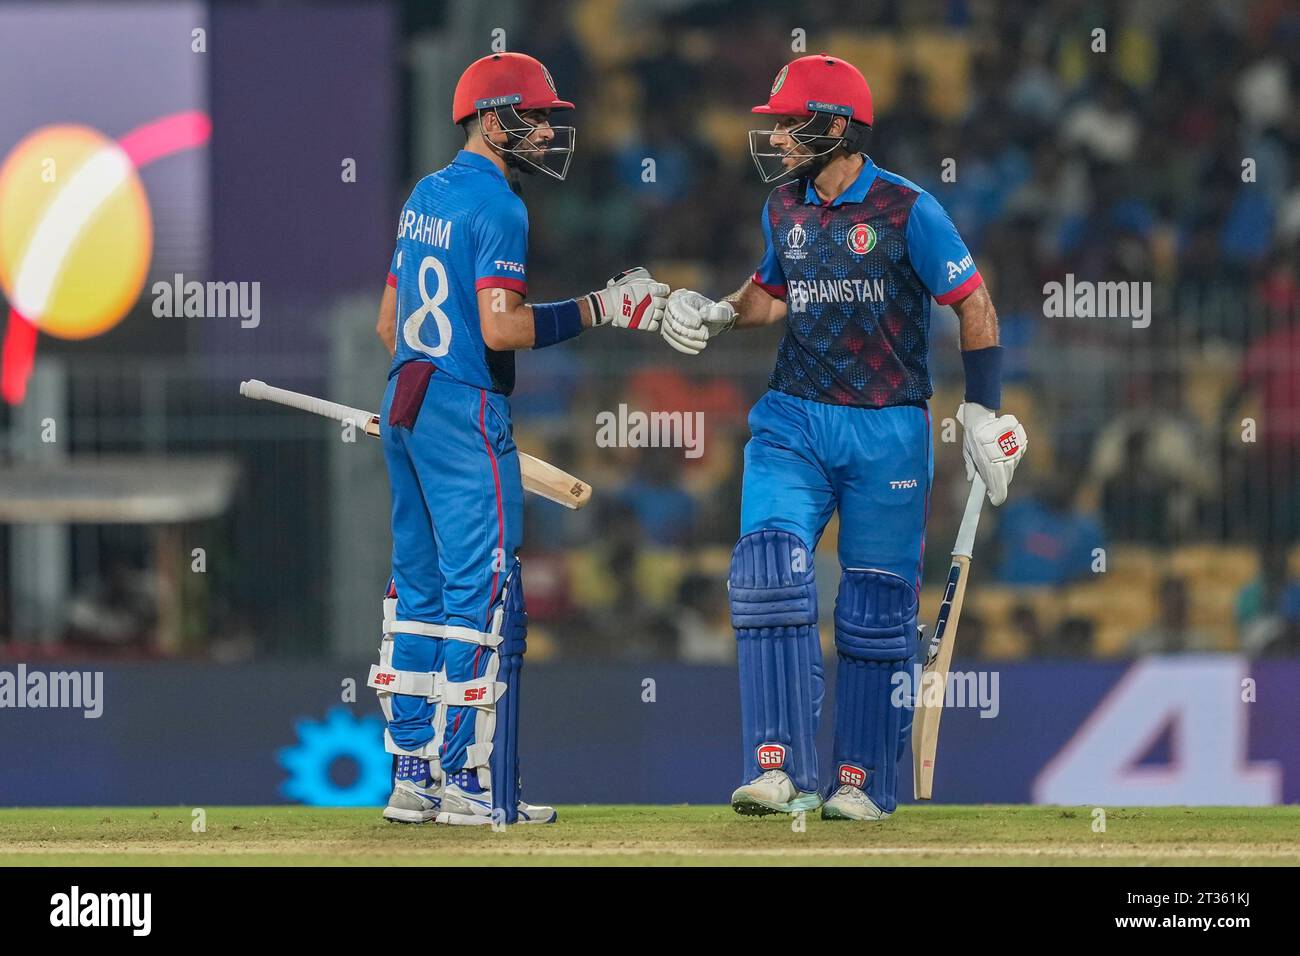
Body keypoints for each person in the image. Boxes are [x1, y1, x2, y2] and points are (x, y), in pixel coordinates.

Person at [659, 54, 1027, 821]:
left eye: (790, 125)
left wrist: (985, 412)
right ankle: (775, 767)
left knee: (874, 607)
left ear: (833, 128)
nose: (777, 139)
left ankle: (859, 780)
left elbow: (975, 303)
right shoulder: (783, 206)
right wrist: (724, 311)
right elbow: (771, 292)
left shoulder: (906, 208)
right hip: (793, 417)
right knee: (768, 569)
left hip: (889, 428)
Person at [370, 52, 669, 825]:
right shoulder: (500, 207)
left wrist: (423, 395)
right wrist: (603, 307)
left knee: (418, 594)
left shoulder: (423, 195)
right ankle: (470, 784)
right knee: (481, 595)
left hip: (407, 397)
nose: (544, 131)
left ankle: (412, 775)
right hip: (466, 410)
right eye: (533, 117)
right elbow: (503, 326)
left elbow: (386, 325)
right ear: (492, 117)